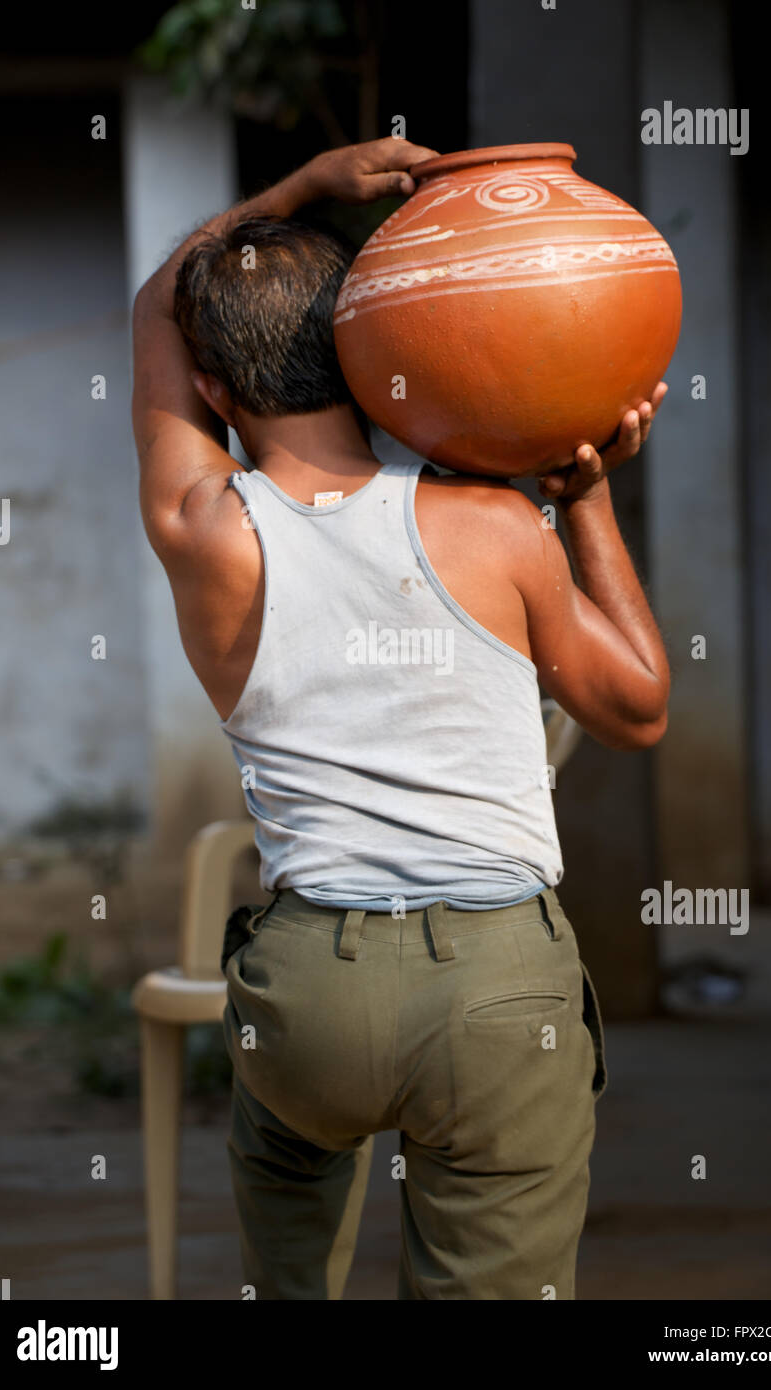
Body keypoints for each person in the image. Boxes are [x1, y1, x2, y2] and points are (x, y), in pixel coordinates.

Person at [131, 137, 670, 1301]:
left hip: (307, 994)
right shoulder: (490, 524)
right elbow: (637, 708)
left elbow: (156, 304)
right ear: (360, 350)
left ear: (214, 393)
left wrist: (296, 191)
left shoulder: (204, 529)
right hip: (497, 994)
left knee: (285, 1194)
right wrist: (582, 502)